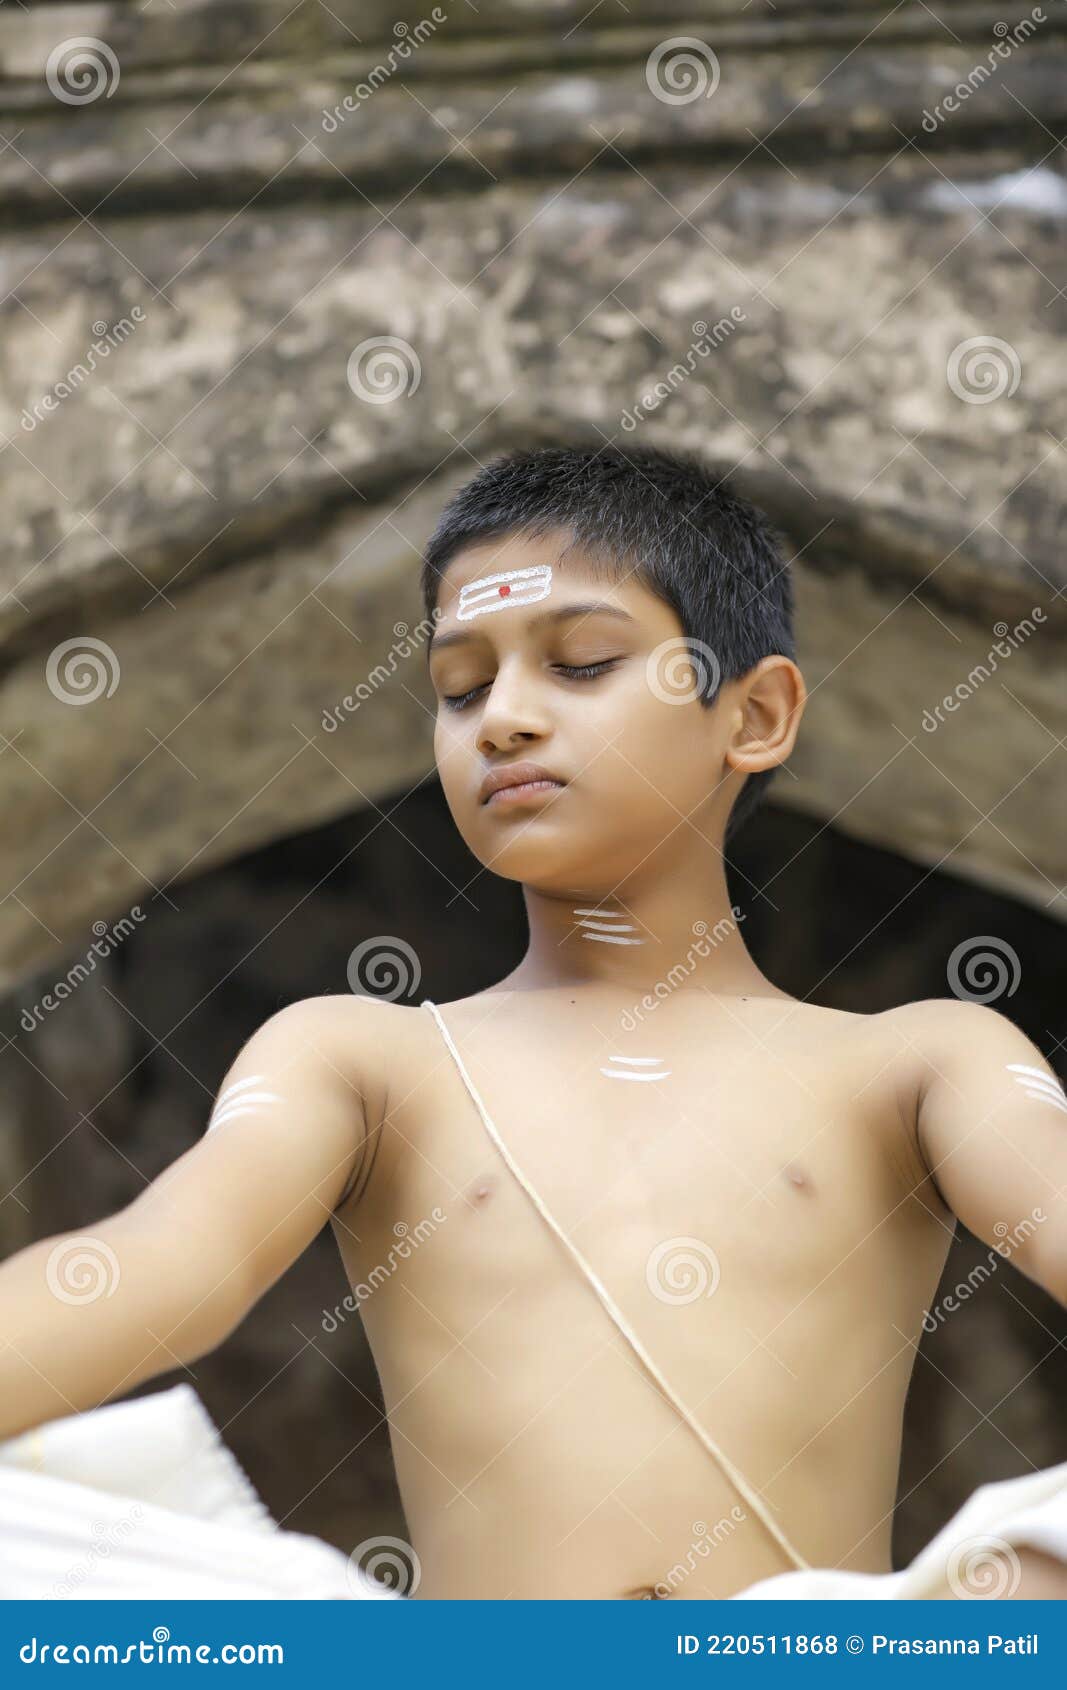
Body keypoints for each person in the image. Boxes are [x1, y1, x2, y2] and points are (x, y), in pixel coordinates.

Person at [2, 443, 1065, 1601]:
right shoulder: (361, 1060)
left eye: (581, 663)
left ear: (754, 714)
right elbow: (160, 1265)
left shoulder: (917, 1063)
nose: (502, 718)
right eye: (461, 687)